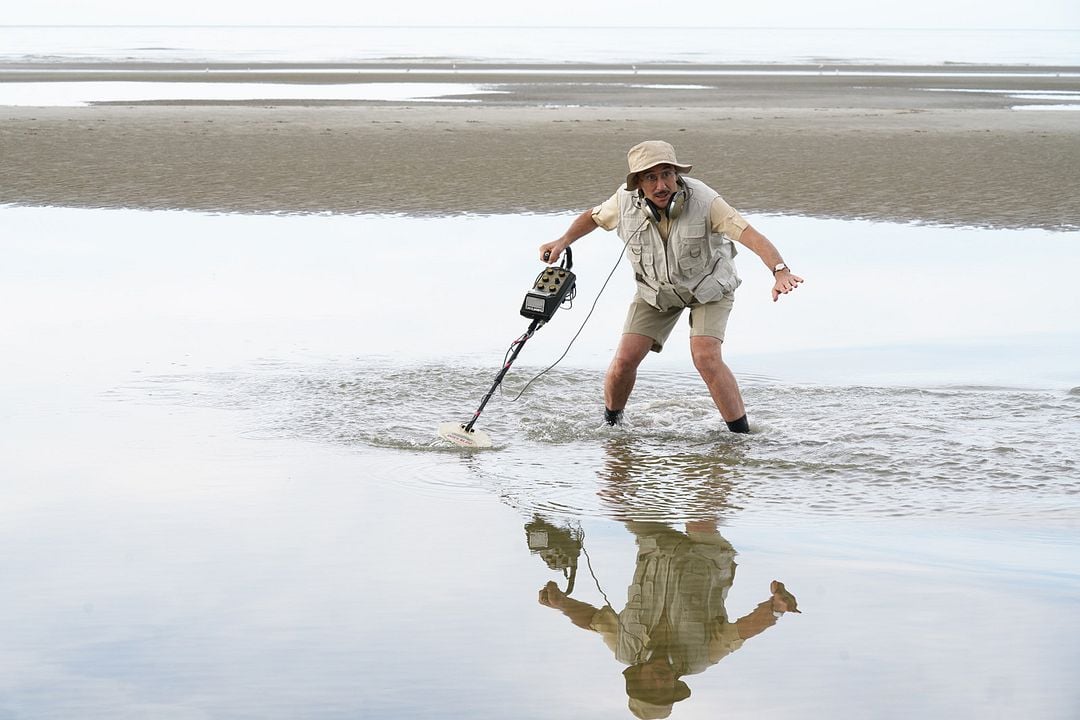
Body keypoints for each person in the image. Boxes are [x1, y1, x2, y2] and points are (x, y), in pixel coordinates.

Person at [538, 140, 803, 432]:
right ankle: (612, 428)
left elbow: (749, 235)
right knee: (624, 360)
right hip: (655, 292)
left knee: (705, 356)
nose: (661, 185)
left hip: (709, 290)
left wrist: (780, 271)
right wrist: (562, 241)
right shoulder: (623, 202)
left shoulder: (706, 201)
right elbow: (592, 217)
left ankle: (740, 437)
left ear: (677, 174)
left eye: (667, 174)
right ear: (638, 183)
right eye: (651, 177)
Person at [538, 519, 799, 719]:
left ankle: (620, 447)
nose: (661, 682)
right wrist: (774, 609)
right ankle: (722, 452)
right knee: (699, 517)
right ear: (675, 685)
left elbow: (594, 621)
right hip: (706, 555)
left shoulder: (625, 650)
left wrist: (562, 603)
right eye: (666, 690)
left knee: (617, 495)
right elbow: (742, 632)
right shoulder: (701, 658)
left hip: (655, 547)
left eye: (652, 687)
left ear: (637, 676)